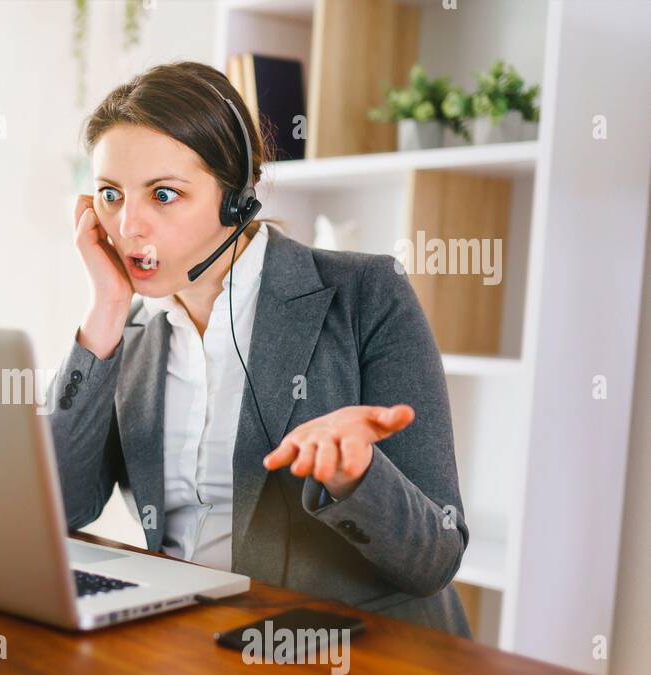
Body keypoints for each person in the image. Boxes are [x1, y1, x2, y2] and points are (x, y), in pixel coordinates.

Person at [48, 61, 470, 637]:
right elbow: (59, 509)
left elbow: (436, 558)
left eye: (164, 194)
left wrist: (357, 476)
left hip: (348, 662)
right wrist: (106, 310)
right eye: (110, 195)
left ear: (235, 198)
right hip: (189, 646)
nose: (127, 226)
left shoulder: (367, 294)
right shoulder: (128, 335)